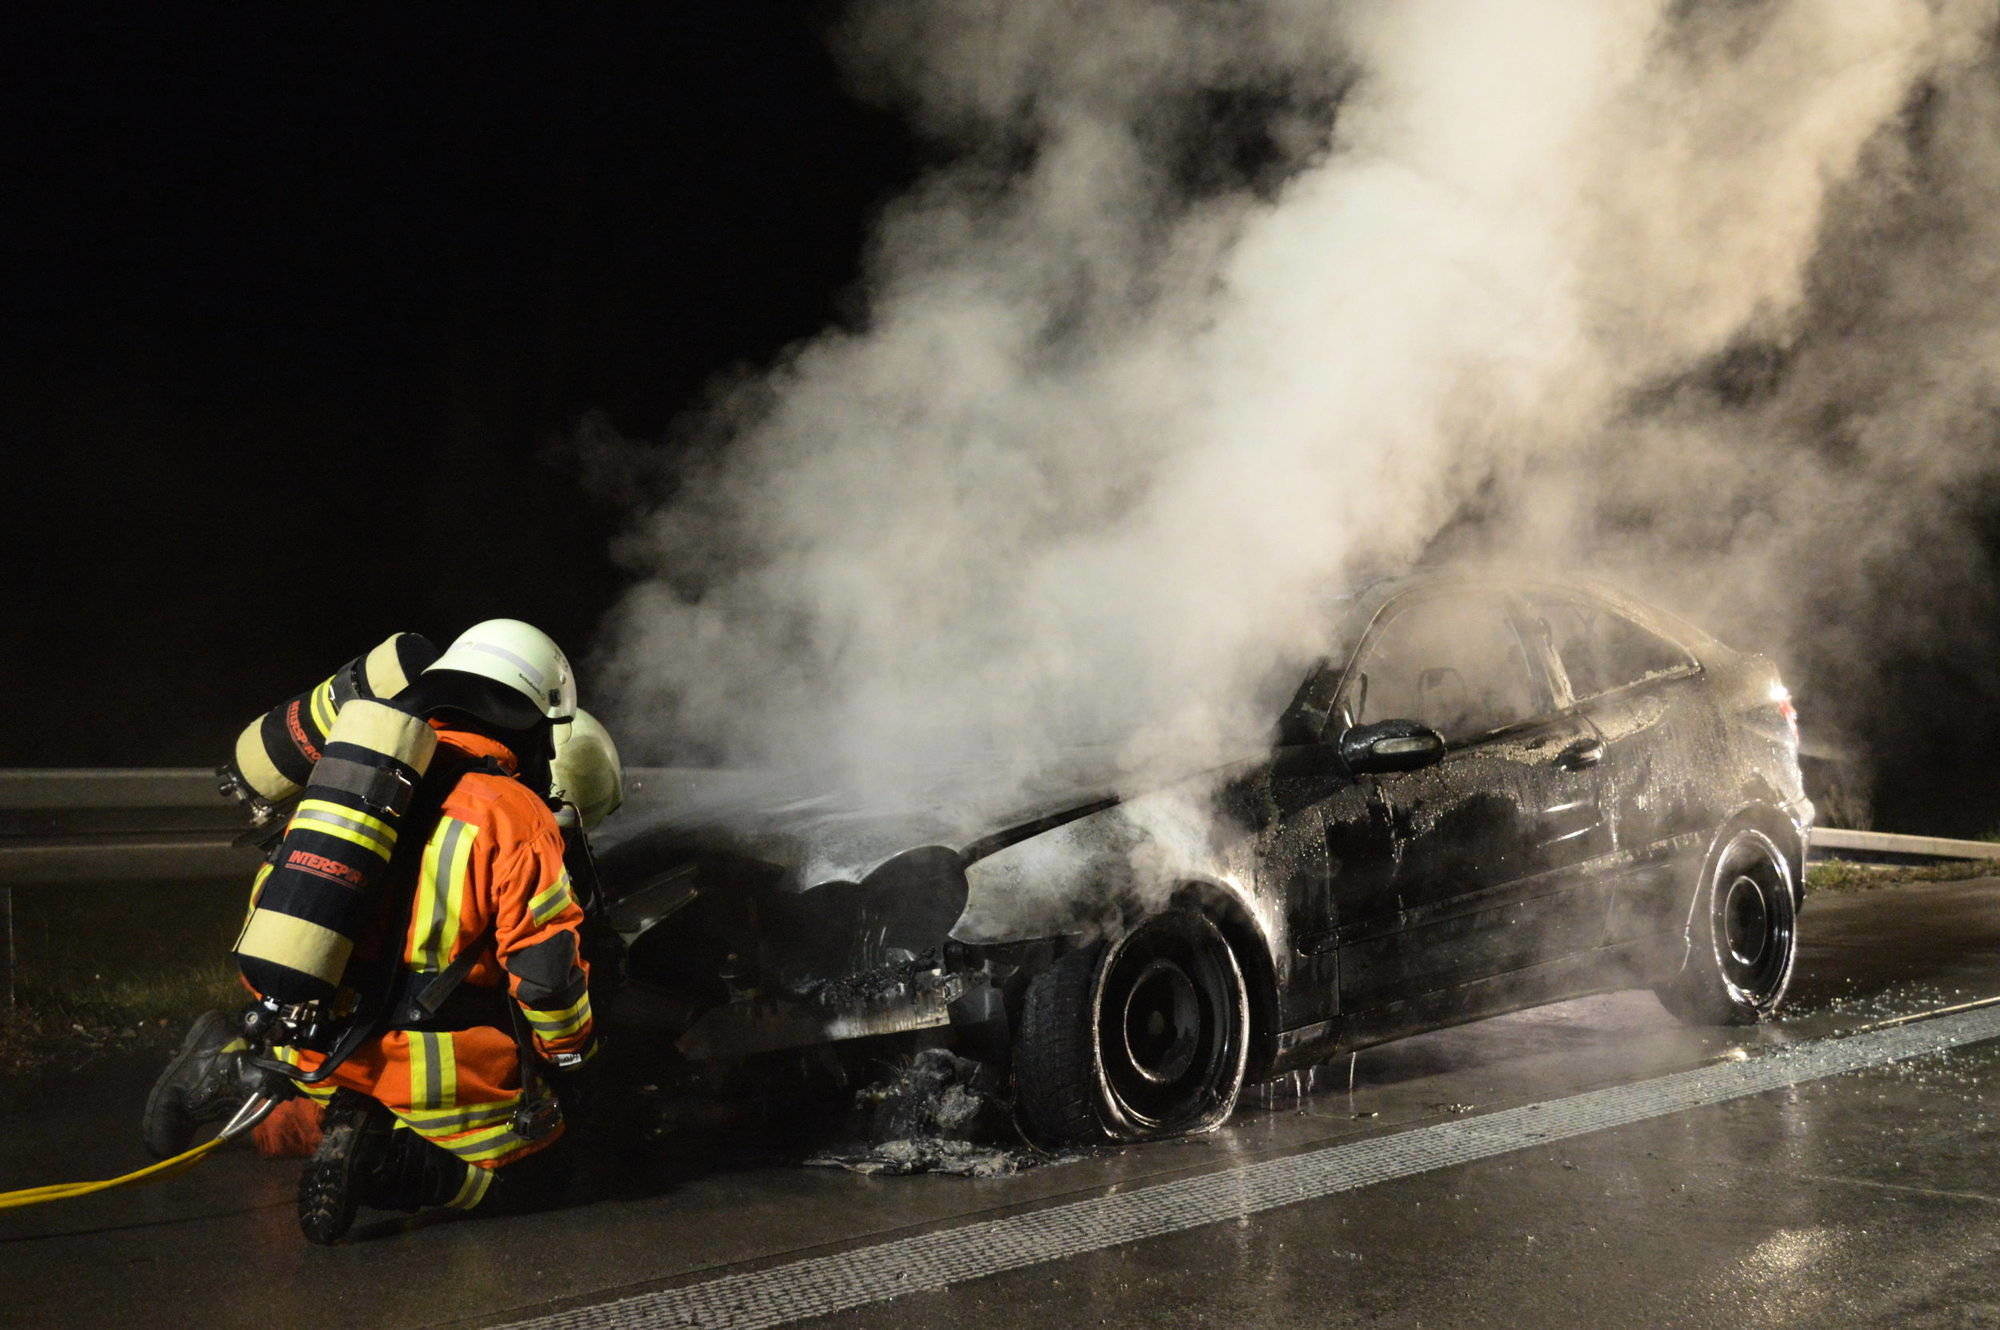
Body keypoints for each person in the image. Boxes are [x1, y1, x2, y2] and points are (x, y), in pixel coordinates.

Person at [145, 620, 604, 1243]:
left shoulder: (358, 777)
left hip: (316, 1043)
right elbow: (546, 974)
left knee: (314, 1113)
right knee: (545, 1168)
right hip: (430, 1070)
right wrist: (570, 1051)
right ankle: (382, 1164)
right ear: (530, 720)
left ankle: (234, 1083)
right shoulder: (511, 811)